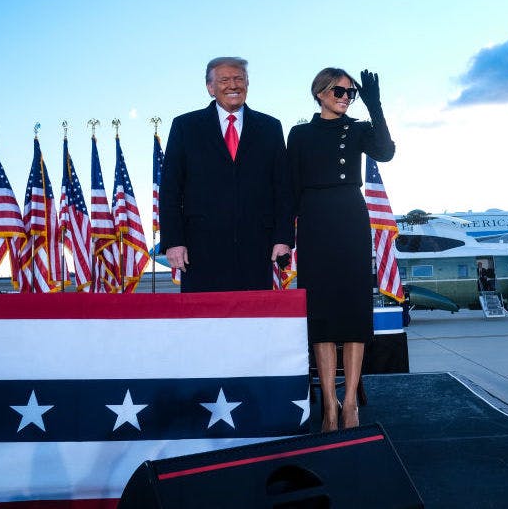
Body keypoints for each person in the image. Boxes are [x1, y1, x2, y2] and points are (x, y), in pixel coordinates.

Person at [288, 68, 395, 432]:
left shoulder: (359, 129)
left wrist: (375, 105)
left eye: (351, 92)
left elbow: (386, 151)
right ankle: (329, 407)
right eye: (339, 90)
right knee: (322, 316)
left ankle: (350, 403)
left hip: (350, 217)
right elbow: (290, 187)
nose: (346, 96)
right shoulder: (299, 134)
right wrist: (286, 236)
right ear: (320, 92)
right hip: (315, 221)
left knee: (352, 312)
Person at [159, 57, 294, 292]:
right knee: (204, 323)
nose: (233, 85)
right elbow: (170, 189)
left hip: (256, 249)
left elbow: (282, 188)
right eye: (224, 80)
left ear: (247, 84)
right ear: (210, 88)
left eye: (239, 78)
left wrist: (283, 238)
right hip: (199, 250)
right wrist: (173, 242)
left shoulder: (270, 127)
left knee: (254, 323)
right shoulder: (185, 126)